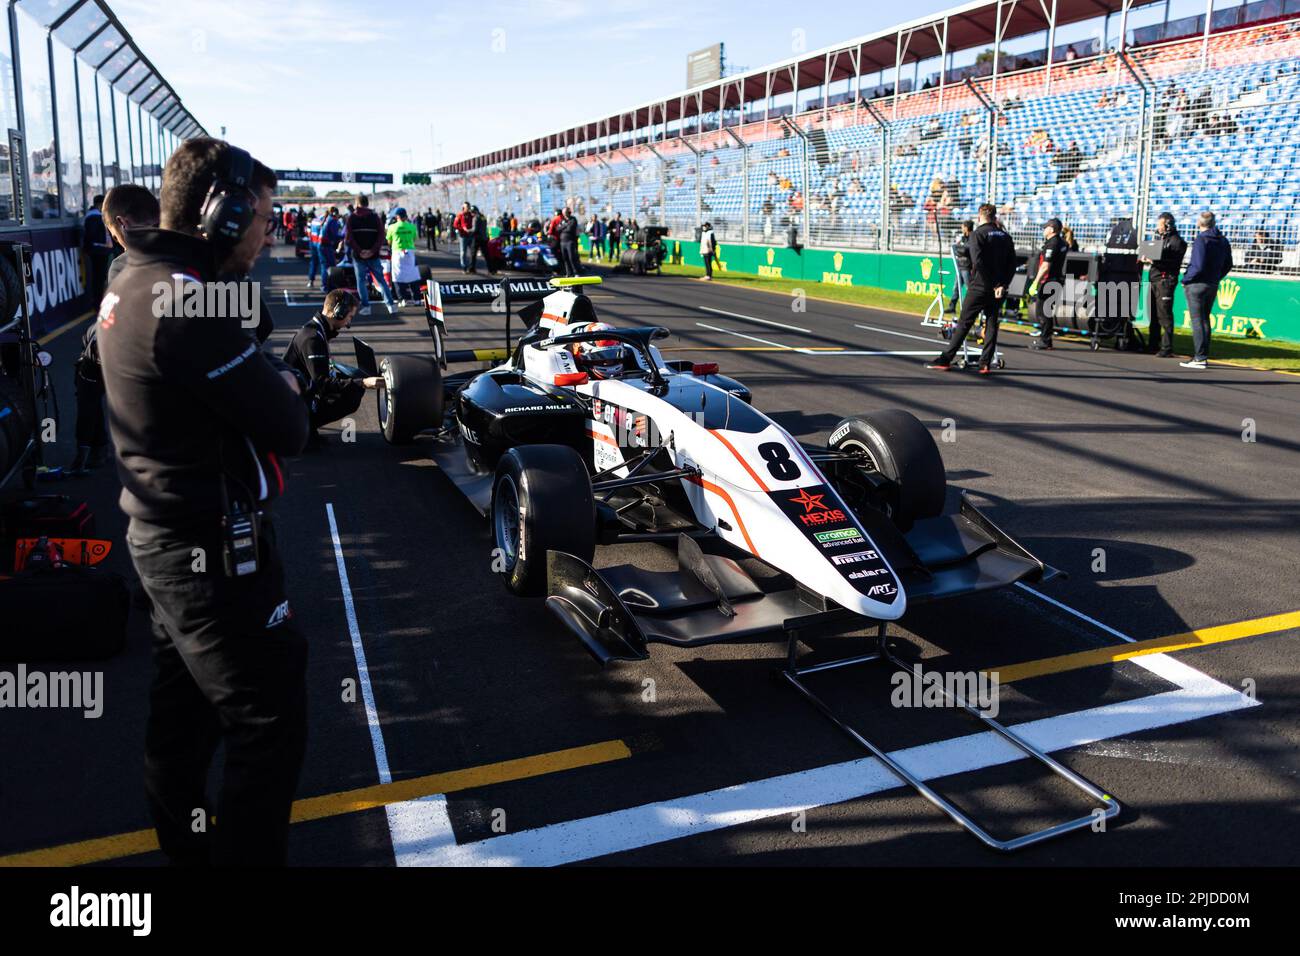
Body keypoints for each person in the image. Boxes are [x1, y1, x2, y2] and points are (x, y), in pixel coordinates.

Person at [97, 138, 310, 866]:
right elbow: (289, 426)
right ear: (222, 217)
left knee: (182, 725)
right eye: (263, 217)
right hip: (209, 555)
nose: (269, 232)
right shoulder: (184, 302)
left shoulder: (135, 272)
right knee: (268, 721)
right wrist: (283, 384)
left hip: (164, 542)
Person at [70, 185, 161, 476]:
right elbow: (260, 323)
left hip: (154, 398)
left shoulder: (124, 264)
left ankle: (92, 446)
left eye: (113, 232)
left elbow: (119, 330)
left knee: (87, 366)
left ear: (121, 224)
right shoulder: (205, 254)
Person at [281, 290, 382, 446]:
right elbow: (322, 383)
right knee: (352, 394)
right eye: (349, 317)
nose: (348, 324)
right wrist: (362, 382)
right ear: (338, 312)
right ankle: (303, 428)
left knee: (350, 381)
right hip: (289, 406)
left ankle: (306, 426)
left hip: (294, 397)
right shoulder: (313, 339)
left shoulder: (316, 330)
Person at [927, 203, 1016, 374]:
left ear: (980, 216)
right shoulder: (1005, 236)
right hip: (998, 289)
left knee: (964, 323)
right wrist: (1002, 285)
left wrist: (993, 284)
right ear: (994, 216)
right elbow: (1012, 264)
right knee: (991, 325)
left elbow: (978, 262)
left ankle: (946, 359)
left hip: (980, 286)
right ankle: (985, 363)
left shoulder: (977, 234)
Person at [1180, 210, 1233, 370]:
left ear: (1199, 223)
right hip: (1212, 283)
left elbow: (1198, 265)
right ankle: (1202, 355)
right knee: (1204, 320)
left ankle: (1200, 357)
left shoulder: (1202, 239)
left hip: (1197, 284)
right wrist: (1216, 277)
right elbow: (1228, 264)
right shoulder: (1223, 240)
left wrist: (1186, 279)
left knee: (1197, 321)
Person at [1140, 212, 1187, 357]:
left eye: (1159, 225)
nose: (1157, 228)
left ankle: (1167, 347)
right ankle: (1153, 344)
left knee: (1164, 315)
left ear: (1167, 225)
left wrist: (1153, 261)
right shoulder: (1161, 240)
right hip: (1154, 279)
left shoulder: (1177, 242)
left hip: (1165, 281)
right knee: (1153, 315)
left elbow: (1172, 263)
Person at [345, 193, 396, 314]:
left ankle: (366, 307)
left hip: (358, 256)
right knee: (381, 280)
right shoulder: (375, 217)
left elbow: (349, 238)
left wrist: (360, 251)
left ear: (357, 204)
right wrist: (372, 250)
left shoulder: (351, 218)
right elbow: (381, 236)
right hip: (373, 255)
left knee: (361, 282)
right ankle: (391, 305)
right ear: (367, 204)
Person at [1029, 218, 1070, 350]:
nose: (1043, 230)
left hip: (1049, 281)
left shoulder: (1052, 244)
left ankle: (1045, 340)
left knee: (1043, 311)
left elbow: (1046, 265)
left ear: (1051, 229)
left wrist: (1035, 282)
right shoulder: (1062, 242)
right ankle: (1046, 339)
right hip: (1055, 280)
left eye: (1045, 227)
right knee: (1046, 310)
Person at [82, 195, 114, 306]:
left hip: (99, 250)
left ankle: (98, 301)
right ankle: (98, 302)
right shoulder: (95, 217)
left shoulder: (91, 216)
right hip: (99, 251)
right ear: (100, 204)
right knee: (99, 277)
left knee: (99, 277)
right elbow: (94, 236)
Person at [386, 207, 419, 303]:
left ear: (397, 216)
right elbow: (414, 239)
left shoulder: (392, 227)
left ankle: (403, 299)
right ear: (405, 216)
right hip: (410, 252)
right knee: (413, 275)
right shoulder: (412, 226)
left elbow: (389, 241)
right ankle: (417, 299)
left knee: (398, 276)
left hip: (397, 252)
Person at [946, 220, 973, 314]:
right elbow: (956, 247)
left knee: (969, 288)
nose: (961, 229)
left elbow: (965, 250)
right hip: (960, 266)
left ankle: (970, 308)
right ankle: (952, 306)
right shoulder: (963, 238)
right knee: (956, 288)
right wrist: (958, 249)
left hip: (967, 267)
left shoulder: (973, 238)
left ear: (966, 227)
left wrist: (958, 249)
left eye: (962, 227)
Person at [318, 207, 343, 293]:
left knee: (324, 266)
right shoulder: (332, 221)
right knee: (330, 267)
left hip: (321, 245)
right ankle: (328, 286)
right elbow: (335, 235)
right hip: (326, 246)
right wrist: (344, 236)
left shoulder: (326, 219)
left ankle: (324, 285)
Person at [558, 207, 581, 277]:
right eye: (563, 213)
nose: (564, 214)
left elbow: (570, 229)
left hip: (570, 241)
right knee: (565, 258)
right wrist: (565, 226)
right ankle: (568, 273)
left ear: (568, 212)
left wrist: (563, 227)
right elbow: (558, 229)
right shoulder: (562, 220)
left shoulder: (573, 219)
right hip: (562, 242)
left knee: (571, 257)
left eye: (565, 212)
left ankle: (576, 272)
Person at [453, 201, 476, 273]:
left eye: (469, 207)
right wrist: (462, 229)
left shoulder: (471, 215)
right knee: (463, 252)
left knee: (472, 251)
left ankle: (471, 267)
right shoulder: (460, 215)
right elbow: (455, 225)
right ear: (463, 208)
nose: (468, 208)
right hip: (463, 236)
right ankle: (464, 267)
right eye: (467, 207)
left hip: (470, 235)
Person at [305, 208, 324, 288]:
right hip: (319, 244)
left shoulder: (310, 223)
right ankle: (324, 283)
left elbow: (308, 233)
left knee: (313, 263)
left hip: (312, 244)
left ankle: (311, 280)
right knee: (323, 264)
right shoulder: (319, 221)